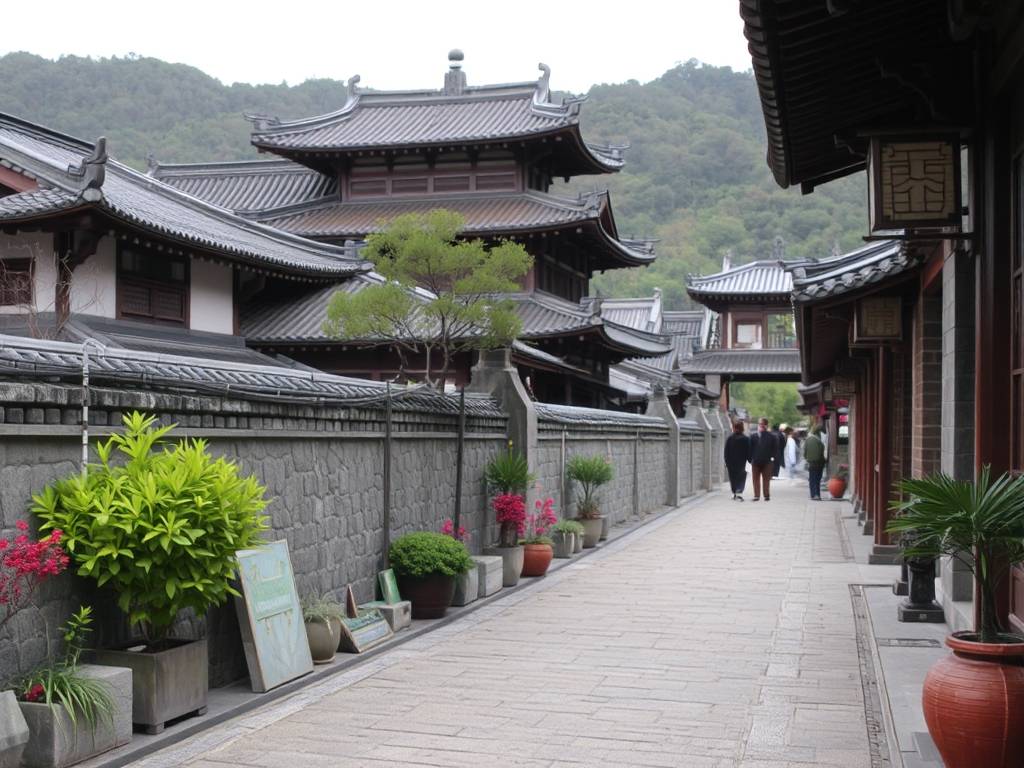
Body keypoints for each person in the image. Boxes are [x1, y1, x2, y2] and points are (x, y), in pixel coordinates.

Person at [749, 417, 777, 501]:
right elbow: (750, 449)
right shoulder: (753, 436)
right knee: (755, 479)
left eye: (761, 424)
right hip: (756, 461)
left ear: (766, 425)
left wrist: (772, 458)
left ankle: (766, 495)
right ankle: (756, 495)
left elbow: (775, 449)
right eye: (759, 424)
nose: (760, 426)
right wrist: (751, 459)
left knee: (766, 479)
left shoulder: (771, 436)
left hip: (767, 462)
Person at [724, 420, 751, 500]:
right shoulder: (746, 439)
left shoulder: (730, 438)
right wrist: (749, 460)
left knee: (733, 478)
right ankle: (739, 491)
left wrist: (726, 461)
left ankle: (735, 492)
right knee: (741, 477)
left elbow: (726, 451)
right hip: (742, 462)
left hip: (731, 462)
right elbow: (749, 451)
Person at [803, 425, 826, 500]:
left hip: (811, 463)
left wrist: (807, 459)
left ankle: (813, 494)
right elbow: (823, 452)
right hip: (820, 463)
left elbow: (804, 452)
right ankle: (817, 495)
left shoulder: (808, 440)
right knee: (818, 480)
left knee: (812, 479)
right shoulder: (820, 440)